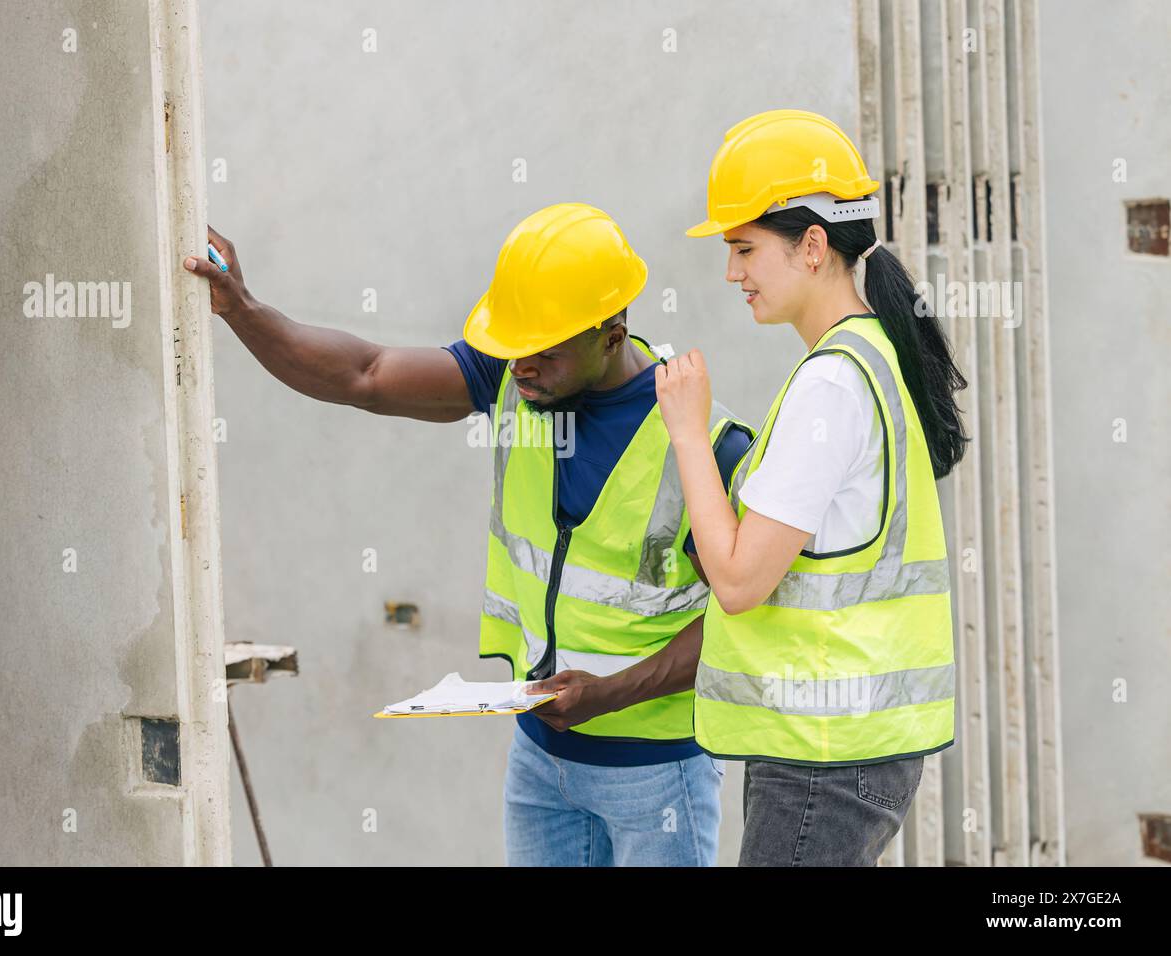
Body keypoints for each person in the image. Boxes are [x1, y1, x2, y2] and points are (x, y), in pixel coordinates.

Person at [183, 202, 754, 866]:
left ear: (612, 331)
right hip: (542, 765)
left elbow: (740, 619)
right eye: (512, 347)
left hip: (656, 774)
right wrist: (244, 310)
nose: (521, 366)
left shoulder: (704, 445)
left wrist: (611, 693)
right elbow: (362, 375)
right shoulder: (517, 379)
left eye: (543, 348)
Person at [654, 109, 970, 866]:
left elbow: (738, 580)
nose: (733, 273)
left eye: (744, 249)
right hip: (841, 744)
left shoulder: (832, 382)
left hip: (824, 755)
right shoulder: (866, 355)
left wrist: (689, 433)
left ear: (814, 247)